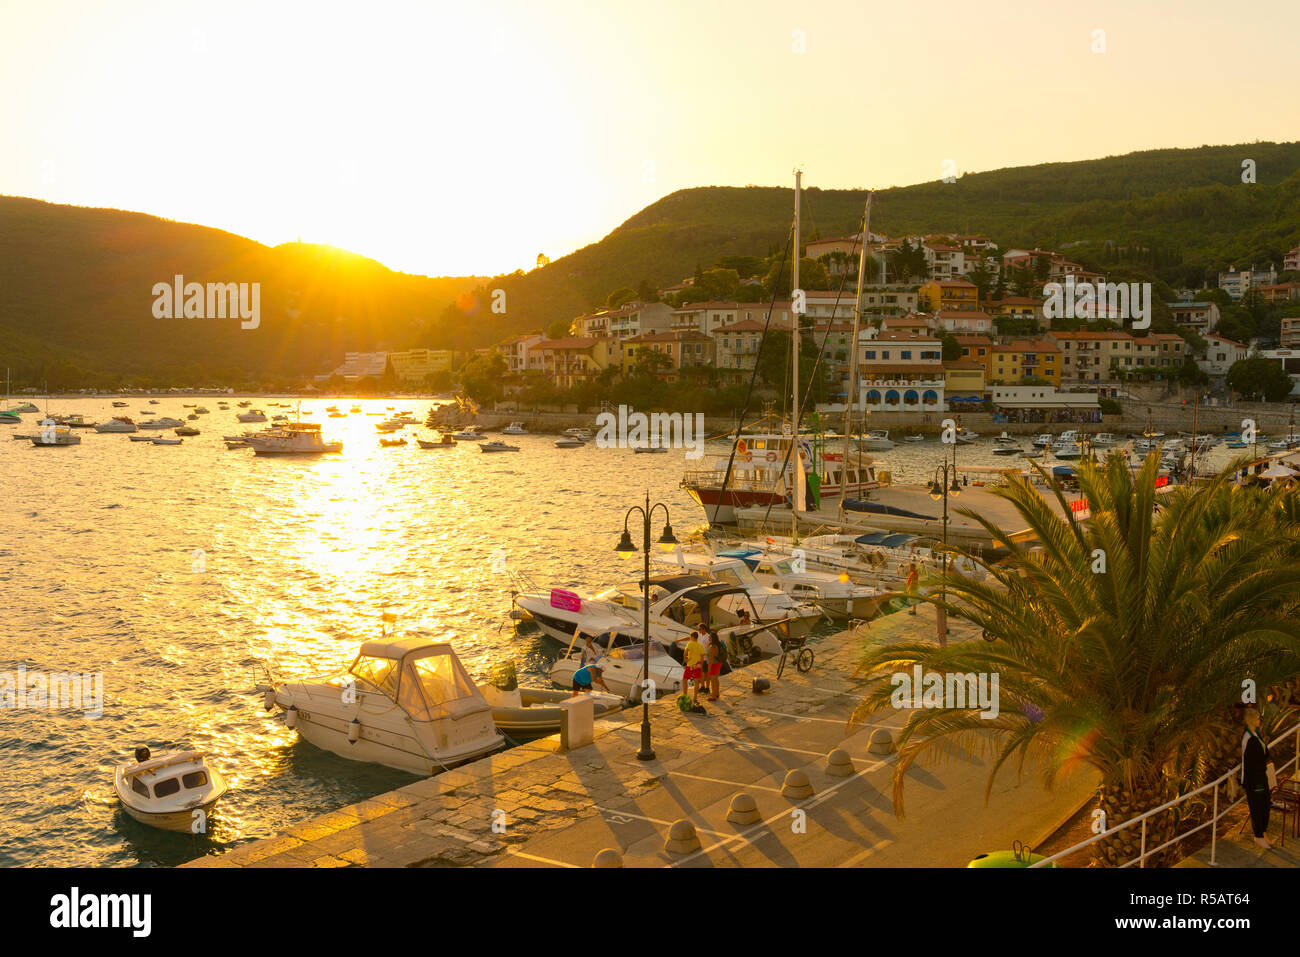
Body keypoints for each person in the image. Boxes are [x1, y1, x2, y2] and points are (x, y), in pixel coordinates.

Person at [1241, 706, 1274, 849]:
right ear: (1251, 720)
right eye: (1258, 718)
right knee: (1257, 806)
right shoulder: (1248, 738)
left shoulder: (1256, 734)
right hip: (1255, 780)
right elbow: (1251, 763)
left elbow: (1265, 752)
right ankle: (1258, 836)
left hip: (1262, 776)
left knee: (1266, 804)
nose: (1260, 719)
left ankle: (1264, 832)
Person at [682, 630, 706, 704]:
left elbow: (685, 654)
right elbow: (702, 656)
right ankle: (695, 698)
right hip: (698, 664)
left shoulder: (690, 644)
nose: (689, 638)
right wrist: (701, 664)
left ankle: (685, 695)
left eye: (690, 636)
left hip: (690, 664)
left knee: (685, 679)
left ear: (692, 637)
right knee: (696, 682)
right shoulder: (700, 645)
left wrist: (686, 660)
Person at [705, 629, 725, 702]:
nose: (708, 638)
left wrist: (709, 668)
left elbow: (710, 658)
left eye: (709, 637)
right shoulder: (717, 645)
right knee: (716, 679)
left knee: (713, 681)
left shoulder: (712, 647)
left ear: (712, 638)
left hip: (713, 664)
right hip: (718, 663)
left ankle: (713, 696)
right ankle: (717, 693)